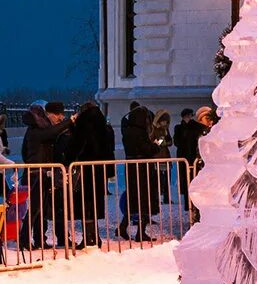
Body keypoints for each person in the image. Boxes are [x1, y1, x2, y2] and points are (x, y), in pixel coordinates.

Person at [21, 102, 75, 251]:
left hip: (41, 172)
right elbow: (51, 133)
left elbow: (25, 151)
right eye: (57, 114)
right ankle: (24, 239)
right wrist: (69, 121)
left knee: (40, 209)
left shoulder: (38, 129)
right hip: (36, 173)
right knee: (34, 209)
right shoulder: (35, 130)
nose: (60, 117)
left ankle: (37, 240)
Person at [63, 102, 115, 248]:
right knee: (95, 202)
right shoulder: (103, 123)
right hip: (100, 169)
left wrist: (68, 158)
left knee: (85, 203)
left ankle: (88, 238)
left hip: (86, 168)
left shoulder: (84, 122)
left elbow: (77, 144)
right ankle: (95, 237)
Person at [121, 103, 160, 241]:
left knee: (133, 198)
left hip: (131, 167)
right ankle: (140, 233)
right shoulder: (140, 132)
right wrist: (157, 144)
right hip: (142, 168)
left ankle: (123, 226)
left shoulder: (127, 129)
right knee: (144, 198)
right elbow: (148, 149)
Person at [174, 108, 207, 211]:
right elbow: (177, 141)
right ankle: (188, 204)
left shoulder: (195, 126)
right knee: (186, 180)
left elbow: (205, 131)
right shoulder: (179, 128)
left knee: (194, 179)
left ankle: (194, 204)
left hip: (192, 156)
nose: (188, 118)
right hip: (184, 156)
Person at [151, 109, 173, 205]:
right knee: (158, 179)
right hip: (158, 156)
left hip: (166, 156)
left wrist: (166, 141)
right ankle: (158, 197)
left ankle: (167, 197)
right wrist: (162, 141)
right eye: (164, 121)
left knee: (167, 179)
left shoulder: (166, 130)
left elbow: (170, 142)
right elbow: (154, 142)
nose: (165, 123)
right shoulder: (154, 130)